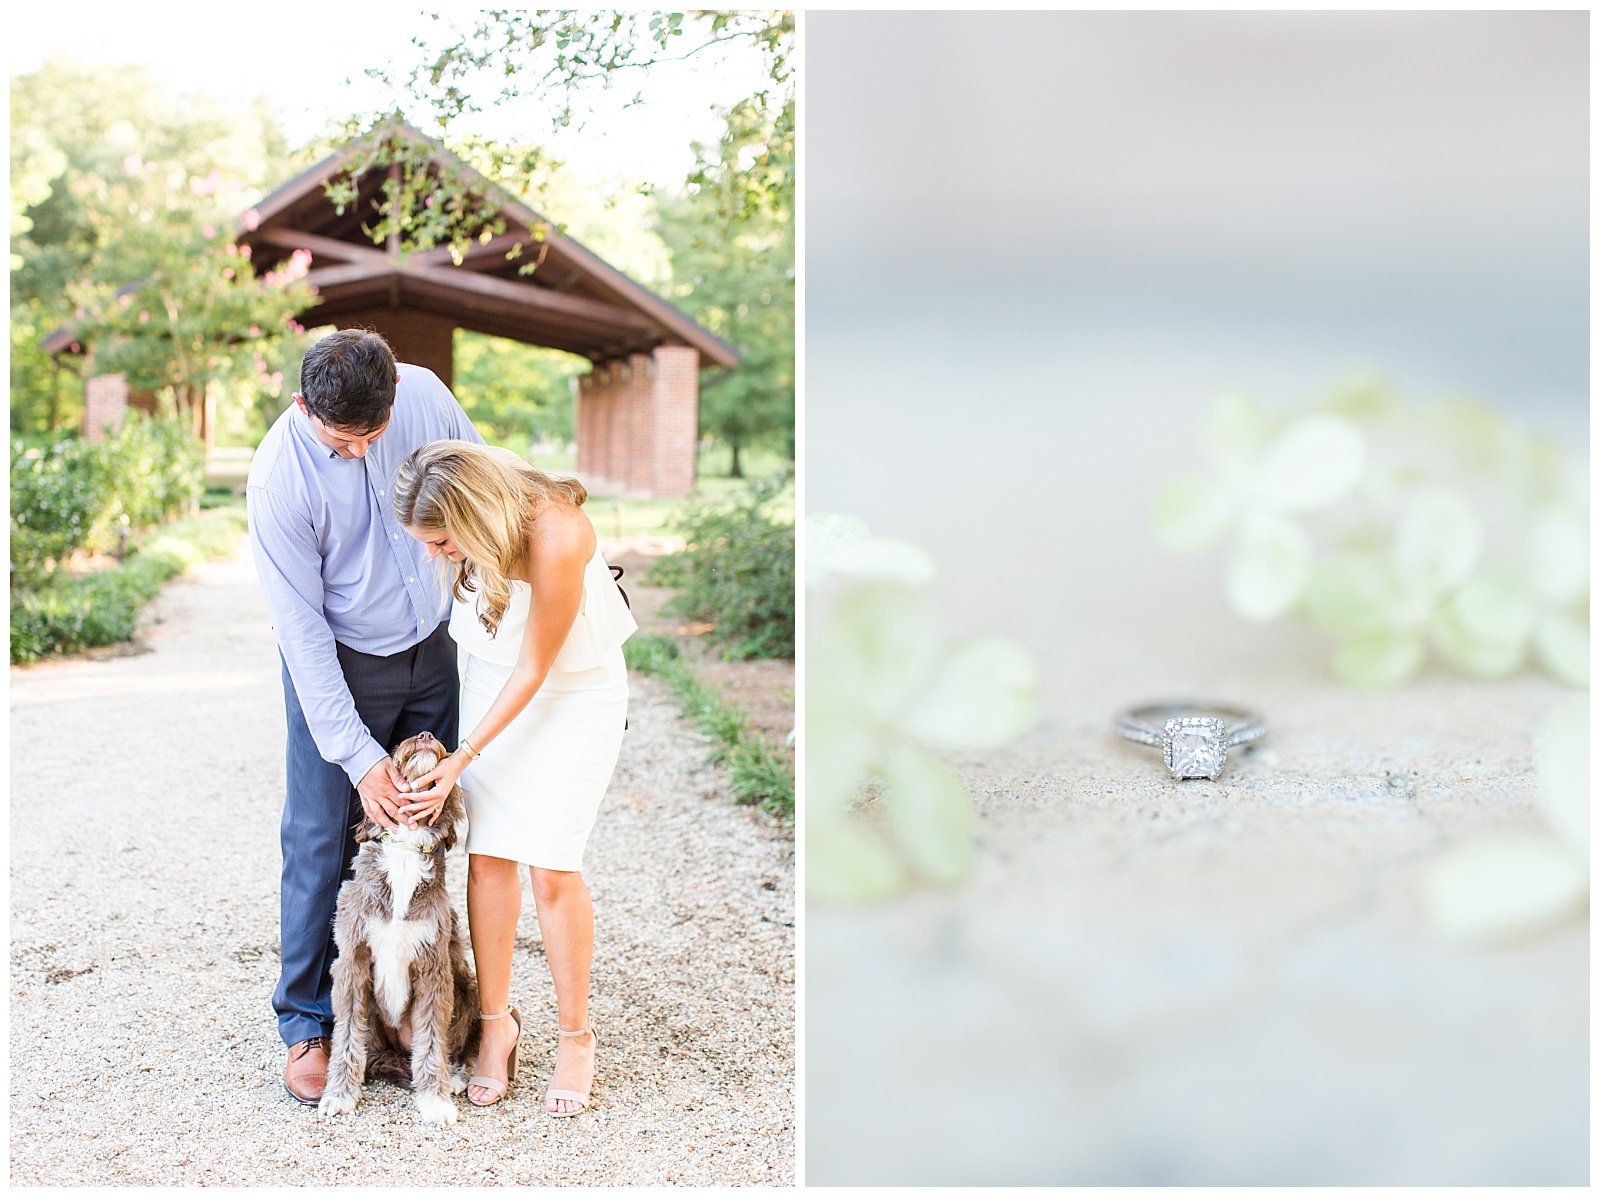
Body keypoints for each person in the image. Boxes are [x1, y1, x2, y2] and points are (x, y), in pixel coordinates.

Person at [246, 329, 484, 1104]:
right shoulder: (278, 478)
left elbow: (481, 488)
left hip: (431, 642)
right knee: (320, 835)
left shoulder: (422, 394)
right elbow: (301, 631)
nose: (360, 452)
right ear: (301, 405)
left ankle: (422, 1008)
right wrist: (357, 754)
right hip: (340, 657)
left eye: (373, 435)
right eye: (342, 441)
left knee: (427, 830)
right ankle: (308, 1021)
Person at [390, 441, 636, 1116]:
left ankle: (575, 1036)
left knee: (553, 865)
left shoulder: (556, 530)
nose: (439, 554)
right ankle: (497, 1023)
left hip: (573, 691)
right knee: (489, 857)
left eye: (443, 540)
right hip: (493, 676)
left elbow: (538, 668)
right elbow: (506, 666)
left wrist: (459, 758)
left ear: (474, 515)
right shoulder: (475, 484)